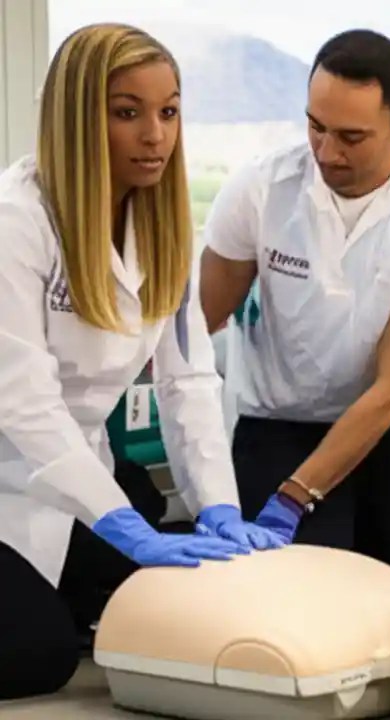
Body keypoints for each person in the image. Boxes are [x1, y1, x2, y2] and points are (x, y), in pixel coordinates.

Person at [0, 24, 288, 701]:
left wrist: (218, 506)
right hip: (14, 462)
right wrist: (122, 526)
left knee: (187, 594)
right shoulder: (17, 221)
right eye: (127, 113)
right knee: (35, 658)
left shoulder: (161, 222)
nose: (155, 135)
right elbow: (23, 403)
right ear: (78, 117)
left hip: (77, 476)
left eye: (168, 110)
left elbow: (187, 379)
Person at [198, 29, 390, 576]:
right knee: (302, 589)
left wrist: (295, 497)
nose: (327, 152)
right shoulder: (259, 188)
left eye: (351, 137)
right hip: (279, 422)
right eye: (316, 126)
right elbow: (198, 323)